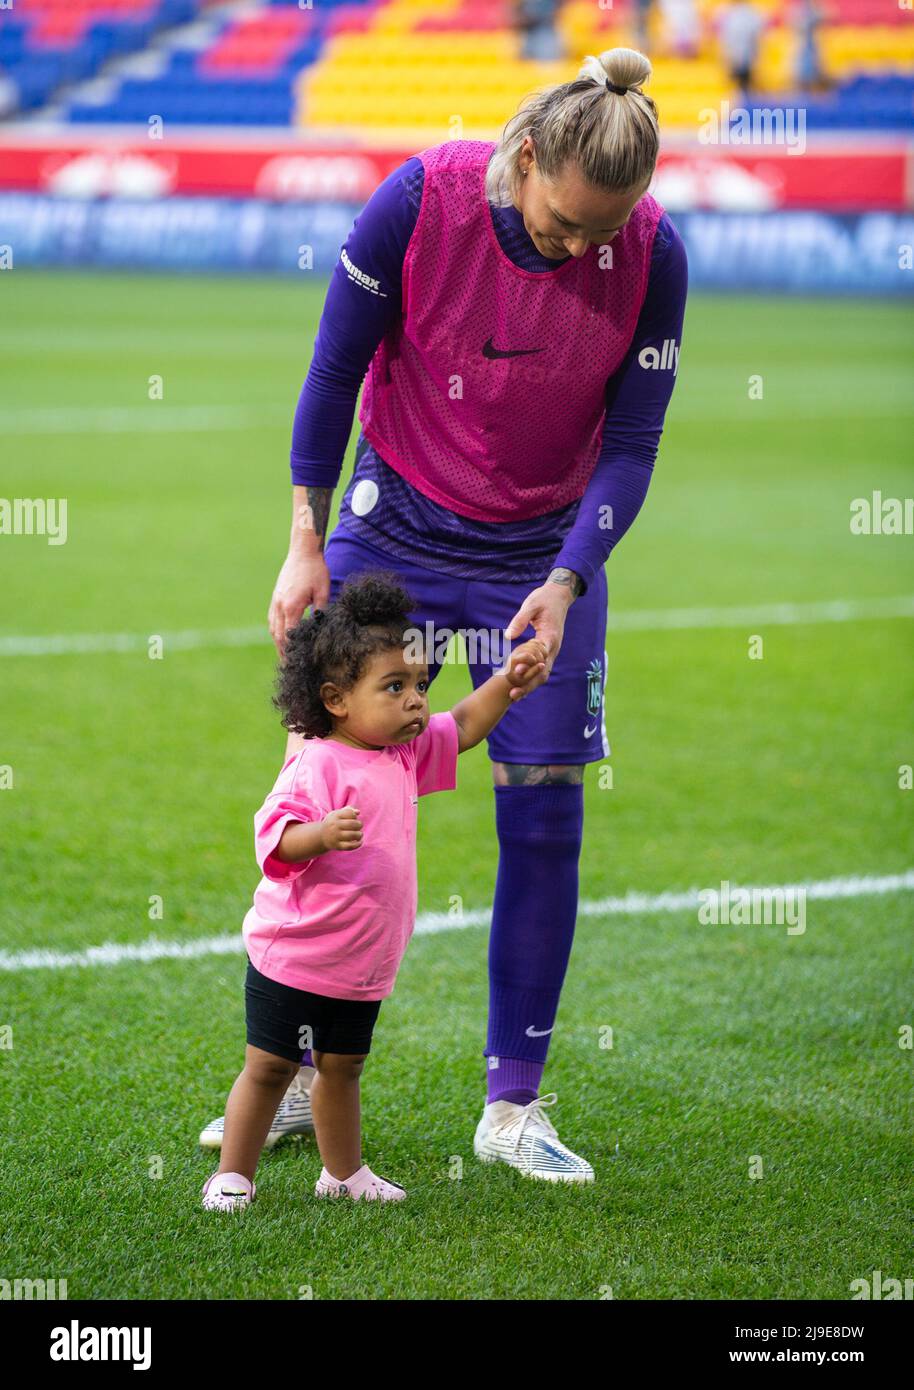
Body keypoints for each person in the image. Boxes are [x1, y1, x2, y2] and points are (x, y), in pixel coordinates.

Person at [200, 45, 688, 1183]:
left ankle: (511, 1106)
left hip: (544, 548)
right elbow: (332, 373)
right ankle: (285, 1074)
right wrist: (304, 537)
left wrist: (566, 581)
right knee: (325, 791)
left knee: (545, 810)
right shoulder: (417, 201)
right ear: (525, 159)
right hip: (397, 520)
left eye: (604, 231)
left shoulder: (653, 251)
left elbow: (632, 441)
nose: (582, 249)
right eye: (566, 224)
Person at [202, 572, 548, 1208]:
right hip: (296, 956)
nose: (416, 700)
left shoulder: (403, 754)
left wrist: (507, 683)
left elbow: (465, 724)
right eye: (395, 687)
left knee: (342, 1069)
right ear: (336, 700)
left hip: (361, 963)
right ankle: (233, 1175)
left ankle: (343, 1175)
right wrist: (320, 834)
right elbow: (273, 838)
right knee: (271, 1068)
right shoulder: (317, 760)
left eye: (419, 684)